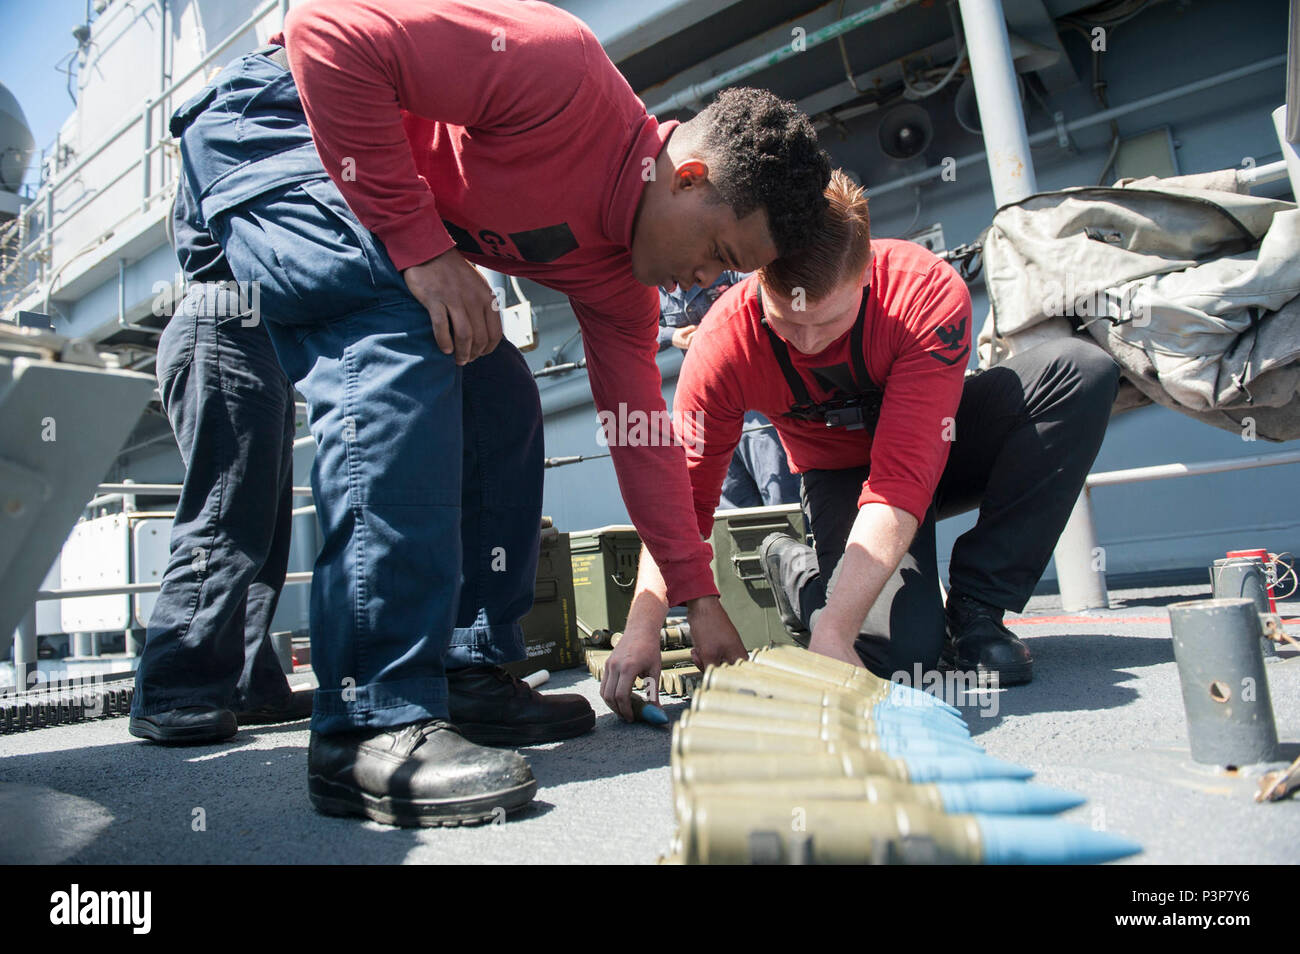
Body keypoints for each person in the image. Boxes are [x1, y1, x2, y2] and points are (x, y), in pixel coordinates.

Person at [170, 0, 830, 826]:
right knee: (403, 338)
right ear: (688, 177)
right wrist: (423, 247)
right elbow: (325, 33)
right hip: (276, 118)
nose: (703, 283)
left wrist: (698, 599)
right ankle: (373, 722)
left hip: (351, 175)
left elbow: (641, 438)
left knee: (501, 397)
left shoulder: (622, 288)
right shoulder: (560, 70)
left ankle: (464, 667)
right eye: (719, 255)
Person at [601, 171, 1119, 717]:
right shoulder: (723, 343)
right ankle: (793, 565)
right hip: (841, 473)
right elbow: (683, 499)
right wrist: (644, 625)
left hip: (937, 448)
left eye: (826, 323)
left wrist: (834, 627)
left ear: (866, 277)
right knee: (901, 657)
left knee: (1081, 372)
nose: (806, 344)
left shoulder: (925, 290)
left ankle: (978, 608)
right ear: (756, 281)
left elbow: (901, 479)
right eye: (786, 324)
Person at [128, 180, 313, 744]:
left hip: (260, 338)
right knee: (225, 517)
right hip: (228, 324)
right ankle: (173, 687)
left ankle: (246, 684)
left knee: (262, 532)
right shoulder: (235, 134)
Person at [658, 273, 800, 509]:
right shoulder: (657, 287)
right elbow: (633, 330)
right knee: (728, 502)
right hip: (706, 404)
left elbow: (766, 292)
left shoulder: (725, 265)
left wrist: (721, 329)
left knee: (780, 491)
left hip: (752, 397)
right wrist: (673, 336)